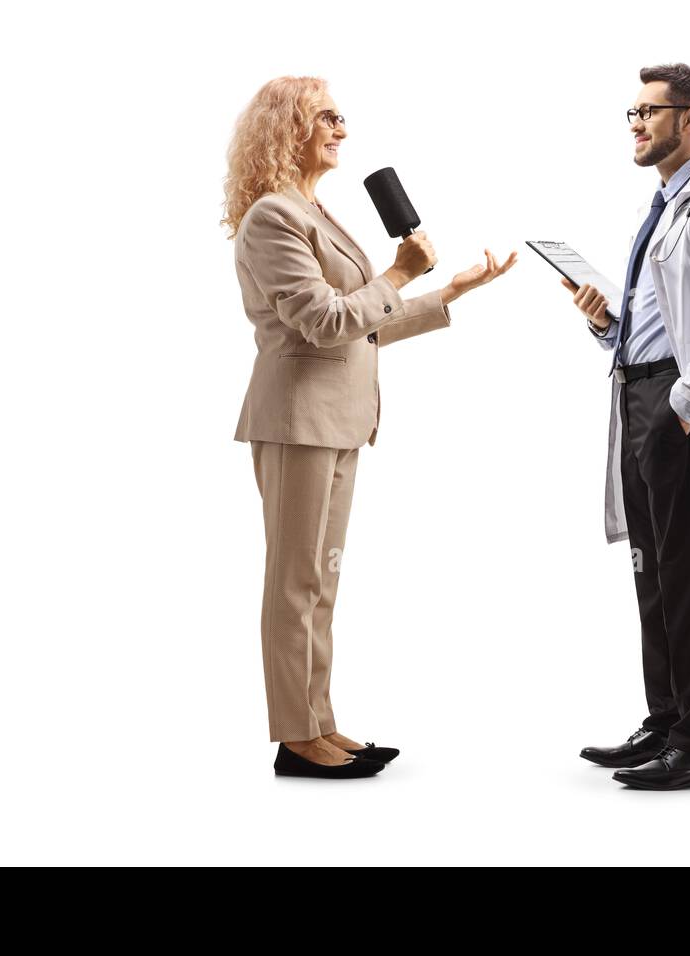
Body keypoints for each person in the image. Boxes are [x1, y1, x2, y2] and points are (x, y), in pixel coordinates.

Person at [221, 76, 516, 780]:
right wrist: (399, 270)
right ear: (287, 127)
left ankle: (320, 722)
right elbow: (323, 323)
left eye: (341, 117)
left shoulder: (313, 210)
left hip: (342, 421)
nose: (342, 129)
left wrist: (447, 291)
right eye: (327, 117)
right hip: (297, 421)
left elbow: (363, 325)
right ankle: (297, 737)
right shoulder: (272, 218)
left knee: (320, 582)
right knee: (295, 584)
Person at [561, 63, 690, 790]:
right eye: (632, 113)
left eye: (651, 112)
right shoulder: (662, 206)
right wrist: (606, 325)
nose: (637, 124)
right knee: (650, 568)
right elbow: (659, 322)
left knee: (684, 567)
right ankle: (663, 721)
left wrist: (684, 405)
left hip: (674, 404)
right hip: (636, 392)